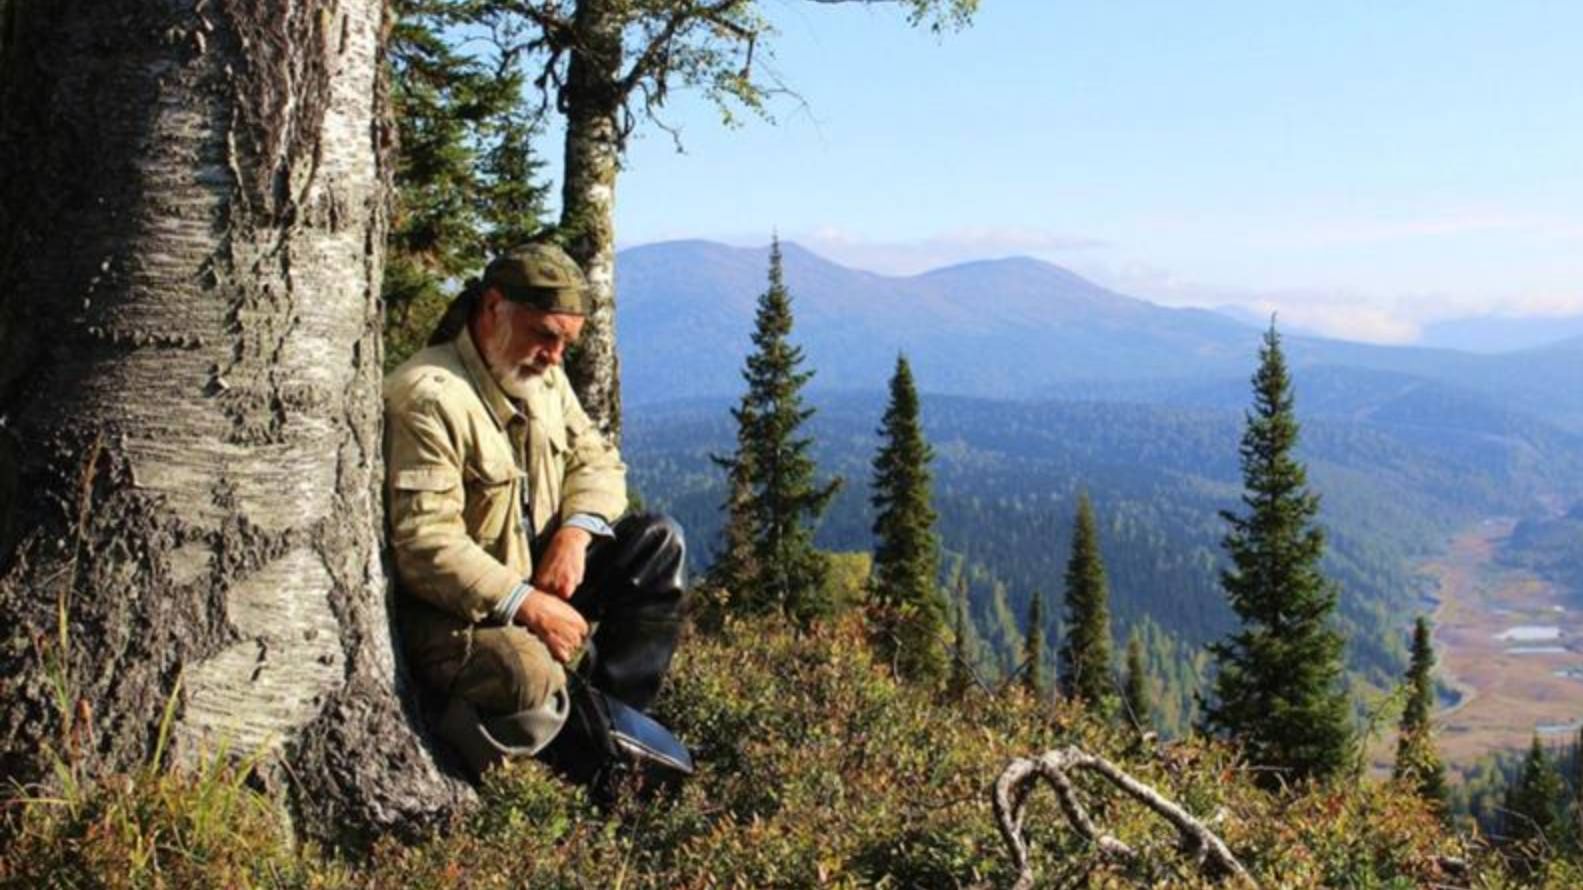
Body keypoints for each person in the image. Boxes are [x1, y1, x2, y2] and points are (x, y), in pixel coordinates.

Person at [383, 242, 688, 784]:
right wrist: (525, 604)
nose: (555, 355)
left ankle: (621, 725)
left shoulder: (540, 377)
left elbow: (596, 461)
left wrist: (575, 533)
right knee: (528, 672)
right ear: (493, 306)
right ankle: (568, 775)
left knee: (656, 544)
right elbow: (425, 546)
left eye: (566, 342)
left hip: (534, 574)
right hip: (456, 611)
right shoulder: (430, 398)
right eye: (546, 334)